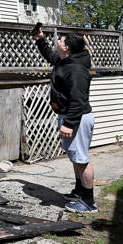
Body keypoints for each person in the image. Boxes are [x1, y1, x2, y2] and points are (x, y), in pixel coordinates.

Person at [32, 27, 97, 213]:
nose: (58, 42)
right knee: (76, 158)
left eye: (60, 40)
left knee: (81, 159)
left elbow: (78, 100)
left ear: (67, 48)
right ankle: (79, 191)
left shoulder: (76, 70)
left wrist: (69, 124)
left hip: (76, 118)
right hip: (71, 116)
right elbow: (51, 56)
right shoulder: (66, 61)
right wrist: (40, 40)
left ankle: (88, 202)